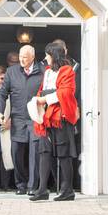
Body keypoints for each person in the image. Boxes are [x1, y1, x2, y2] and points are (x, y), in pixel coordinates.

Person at [30, 41, 78, 202]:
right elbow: (42, 89)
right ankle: (42, 189)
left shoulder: (67, 71)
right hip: (46, 116)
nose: (45, 57)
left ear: (54, 56)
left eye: (47, 55)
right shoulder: (48, 72)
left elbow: (66, 92)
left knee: (64, 155)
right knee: (44, 152)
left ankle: (68, 190)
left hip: (60, 117)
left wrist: (45, 98)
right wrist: (38, 99)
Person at [0, 44, 43, 194]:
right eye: (21, 57)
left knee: (35, 153)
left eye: (25, 58)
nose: (21, 60)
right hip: (18, 118)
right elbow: (2, 94)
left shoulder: (42, 71)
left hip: (36, 117)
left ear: (33, 58)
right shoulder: (11, 72)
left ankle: (32, 186)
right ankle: (21, 184)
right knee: (16, 152)